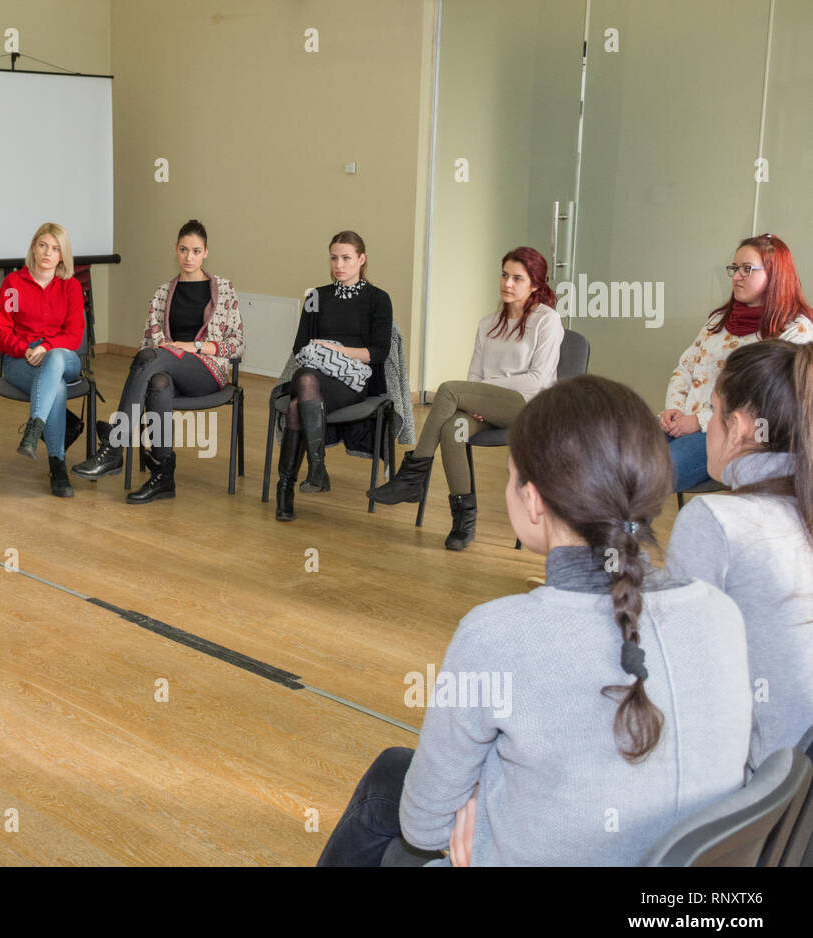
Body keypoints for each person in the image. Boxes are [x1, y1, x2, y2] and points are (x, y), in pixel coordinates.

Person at [318, 376, 752, 866]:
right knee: (398, 771)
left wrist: (483, 814)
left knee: (397, 813)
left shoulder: (497, 634)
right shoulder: (721, 614)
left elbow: (423, 826)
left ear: (533, 499)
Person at [667, 339, 813, 770]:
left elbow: (680, 683)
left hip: (755, 799)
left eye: (712, 412)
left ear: (742, 426)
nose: (707, 427)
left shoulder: (714, 521)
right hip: (795, 806)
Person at [367, 247, 562, 550]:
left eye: (517, 279)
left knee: (448, 389)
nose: (507, 284)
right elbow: (474, 378)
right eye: (504, 275)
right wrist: (479, 398)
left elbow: (538, 379)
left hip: (530, 408)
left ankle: (413, 476)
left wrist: (482, 393)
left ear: (535, 284)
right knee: (451, 430)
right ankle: (463, 522)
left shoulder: (547, 321)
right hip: (488, 407)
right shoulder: (488, 323)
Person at [71, 219, 243, 502]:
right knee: (158, 383)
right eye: (184, 250)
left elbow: (236, 345)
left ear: (206, 252)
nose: (189, 257)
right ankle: (163, 477)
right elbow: (147, 346)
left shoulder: (223, 290)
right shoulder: (162, 293)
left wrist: (192, 346)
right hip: (168, 369)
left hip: (208, 373)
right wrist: (168, 351)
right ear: (175, 249)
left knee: (155, 358)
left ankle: (115, 446)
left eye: (196, 251)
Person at [659, 234, 813, 493]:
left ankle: (620, 530)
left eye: (747, 269)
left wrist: (699, 421)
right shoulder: (719, 320)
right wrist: (673, 409)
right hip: (685, 421)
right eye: (735, 268)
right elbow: (685, 368)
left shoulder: (796, 331)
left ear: (775, 274)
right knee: (623, 454)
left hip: (738, 435)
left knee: (657, 472)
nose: (736, 276)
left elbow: (767, 400)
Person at [273, 231, 393, 521]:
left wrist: (337, 351)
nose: (339, 264)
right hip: (314, 373)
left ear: (361, 259)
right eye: (334, 258)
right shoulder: (316, 296)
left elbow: (378, 353)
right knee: (304, 382)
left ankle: (288, 487)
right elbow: (300, 345)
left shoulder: (378, 299)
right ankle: (313, 472)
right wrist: (320, 353)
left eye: (346, 258)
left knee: (296, 403)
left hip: (353, 380)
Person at [0, 223, 86, 497]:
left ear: (62, 255)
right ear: (33, 247)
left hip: (64, 357)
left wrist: (46, 347)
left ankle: (34, 427)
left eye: (55, 248)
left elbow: (74, 334)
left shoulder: (70, 286)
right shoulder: (13, 284)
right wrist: (24, 350)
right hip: (21, 360)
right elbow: (1, 333)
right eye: (43, 245)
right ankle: (57, 465)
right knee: (53, 388)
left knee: (54, 358)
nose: (48, 252)